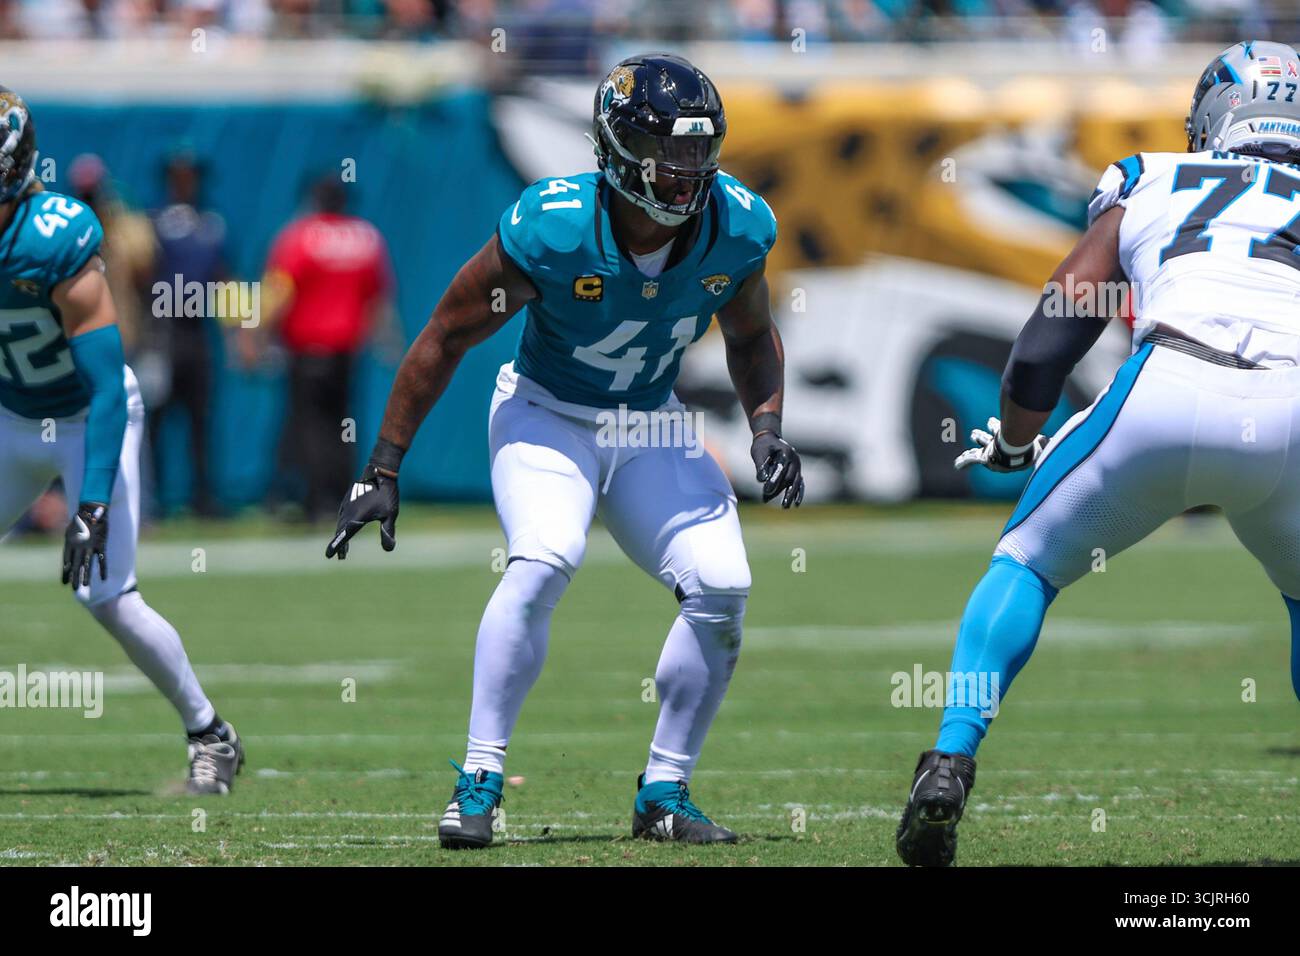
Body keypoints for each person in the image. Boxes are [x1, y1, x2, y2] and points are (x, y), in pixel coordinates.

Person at [327, 53, 804, 848]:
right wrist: (382, 463)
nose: (688, 172)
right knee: (544, 557)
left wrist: (766, 430)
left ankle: (664, 791)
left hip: (649, 423)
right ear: (618, 151)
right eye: (670, 152)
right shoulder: (554, 226)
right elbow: (445, 335)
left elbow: (751, 337)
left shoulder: (738, 224)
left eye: (699, 150)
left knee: (723, 583)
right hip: (548, 415)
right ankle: (479, 778)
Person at [896, 40, 1300, 866]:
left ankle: (950, 760)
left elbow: (1048, 341)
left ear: (1216, 111)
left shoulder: (1154, 175)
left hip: (1168, 386)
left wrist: (1012, 438)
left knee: (1026, 563)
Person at [0, 87, 243, 794]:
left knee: (106, 596)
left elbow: (108, 388)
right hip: (11, 413)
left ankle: (210, 732)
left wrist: (93, 504)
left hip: (84, 419)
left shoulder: (57, 235)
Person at [250, 176, 394, 522]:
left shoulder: (301, 236)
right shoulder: (365, 237)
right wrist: (387, 338)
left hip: (309, 347)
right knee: (343, 423)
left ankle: (317, 500)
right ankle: (344, 495)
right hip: (347, 350)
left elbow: (279, 290)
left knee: (310, 424)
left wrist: (256, 332)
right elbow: (379, 296)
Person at [148, 149, 228, 517]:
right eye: (179, 174)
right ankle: (153, 498)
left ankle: (203, 497)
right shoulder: (152, 223)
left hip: (197, 330)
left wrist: (241, 328)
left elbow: (224, 277)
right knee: (154, 417)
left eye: (191, 174)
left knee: (200, 418)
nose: (186, 180)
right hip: (163, 331)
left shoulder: (211, 224)